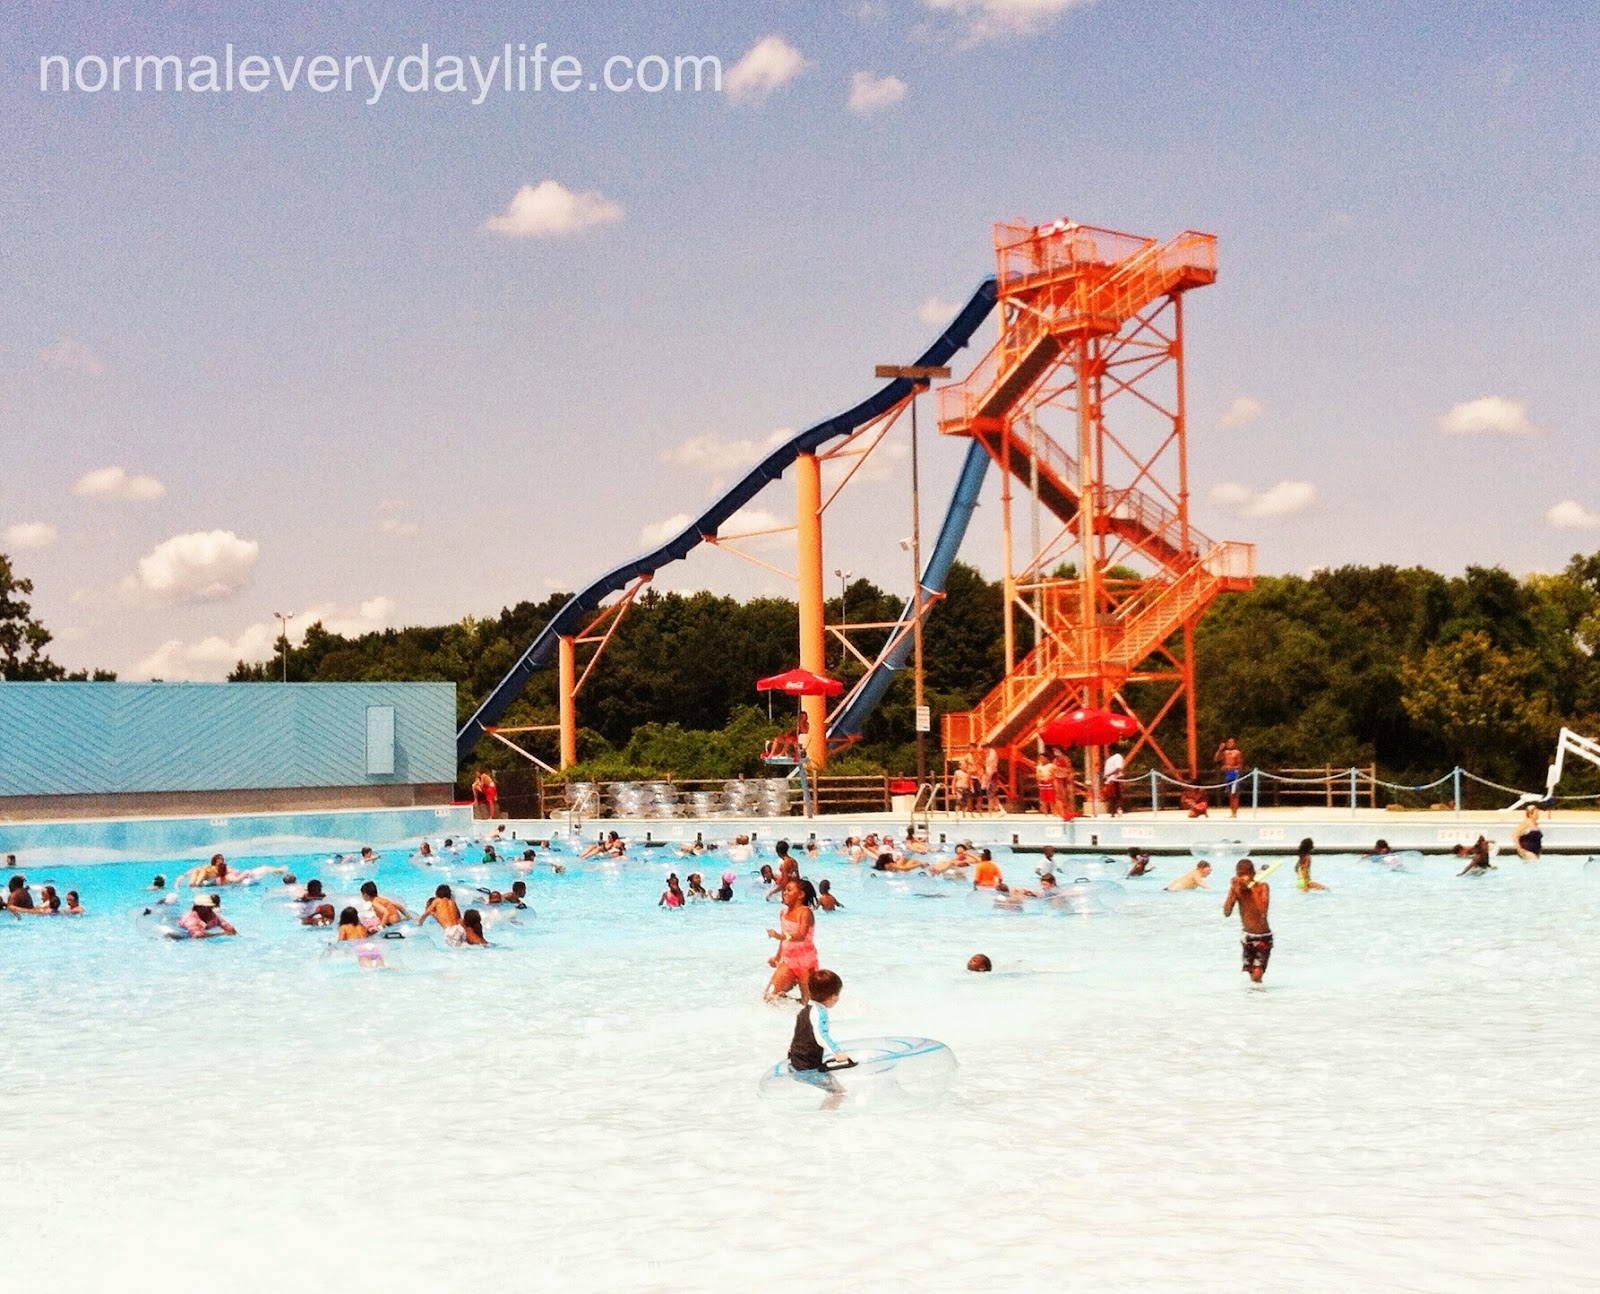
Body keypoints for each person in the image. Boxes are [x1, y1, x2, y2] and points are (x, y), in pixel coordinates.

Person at [787, 968, 850, 1104]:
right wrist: (837, 1052)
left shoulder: (805, 1009)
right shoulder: (820, 1012)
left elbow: (799, 1035)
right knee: (839, 1092)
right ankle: (824, 1120)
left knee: (834, 1091)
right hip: (807, 1067)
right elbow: (821, 1034)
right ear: (833, 996)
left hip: (797, 1062)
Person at [766, 879, 818, 1002]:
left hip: (806, 962)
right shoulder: (783, 913)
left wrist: (781, 936)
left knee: (806, 1001)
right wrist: (777, 957)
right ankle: (789, 1008)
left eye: (789, 890)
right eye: (785, 890)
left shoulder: (805, 912)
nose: (784, 892)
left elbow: (801, 935)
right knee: (769, 996)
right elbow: (784, 939)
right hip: (788, 961)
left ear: (801, 894)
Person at [1222, 860, 1272, 984]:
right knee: (1251, 972)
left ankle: (1259, 995)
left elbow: (1262, 911)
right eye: (1240, 875)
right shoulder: (1237, 890)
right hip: (1247, 936)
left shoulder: (1262, 887)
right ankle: (1253, 999)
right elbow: (1226, 912)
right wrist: (1232, 890)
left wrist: (1250, 890)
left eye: (1245, 874)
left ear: (1253, 874)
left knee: (1257, 973)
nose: (1243, 878)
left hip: (1263, 936)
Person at [1214, 738, 1244, 818]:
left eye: (1232, 742)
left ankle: (1235, 812)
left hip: (1234, 773)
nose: (1230, 744)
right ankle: (1231, 812)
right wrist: (1219, 749)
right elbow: (1216, 759)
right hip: (1228, 774)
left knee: (1234, 793)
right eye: (1229, 742)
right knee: (1229, 794)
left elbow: (1240, 766)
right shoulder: (1225, 753)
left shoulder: (1237, 752)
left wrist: (1231, 767)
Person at [1102, 746, 1126, 817]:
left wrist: (1108, 774)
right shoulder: (1109, 759)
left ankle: (1119, 809)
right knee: (1110, 796)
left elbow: (1118, 768)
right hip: (1109, 780)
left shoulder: (1117, 757)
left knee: (1117, 795)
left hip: (1115, 778)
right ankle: (1112, 811)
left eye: (1109, 749)